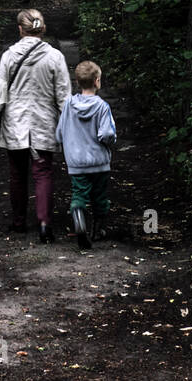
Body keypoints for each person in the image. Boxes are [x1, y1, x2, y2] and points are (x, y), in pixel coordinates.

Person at [0, 8, 70, 242]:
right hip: (44, 124)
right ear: (42, 29)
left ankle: (18, 222)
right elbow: (64, 96)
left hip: (15, 124)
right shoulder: (55, 57)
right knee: (43, 173)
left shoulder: (10, 56)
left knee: (17, 175)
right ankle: (45, 224)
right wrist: (69, 125)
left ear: (20, 29)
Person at [55, 59, 116, 249]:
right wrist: (109, 141)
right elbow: (106, 134)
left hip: (76, 162)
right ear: (97, 81)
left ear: (77, 82)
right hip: (98, 162)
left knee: (79, 193)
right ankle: (98, 230)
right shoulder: (102, 107)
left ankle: (78, 213)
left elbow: (59, 133)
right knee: (99, 196)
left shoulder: (68, 106)